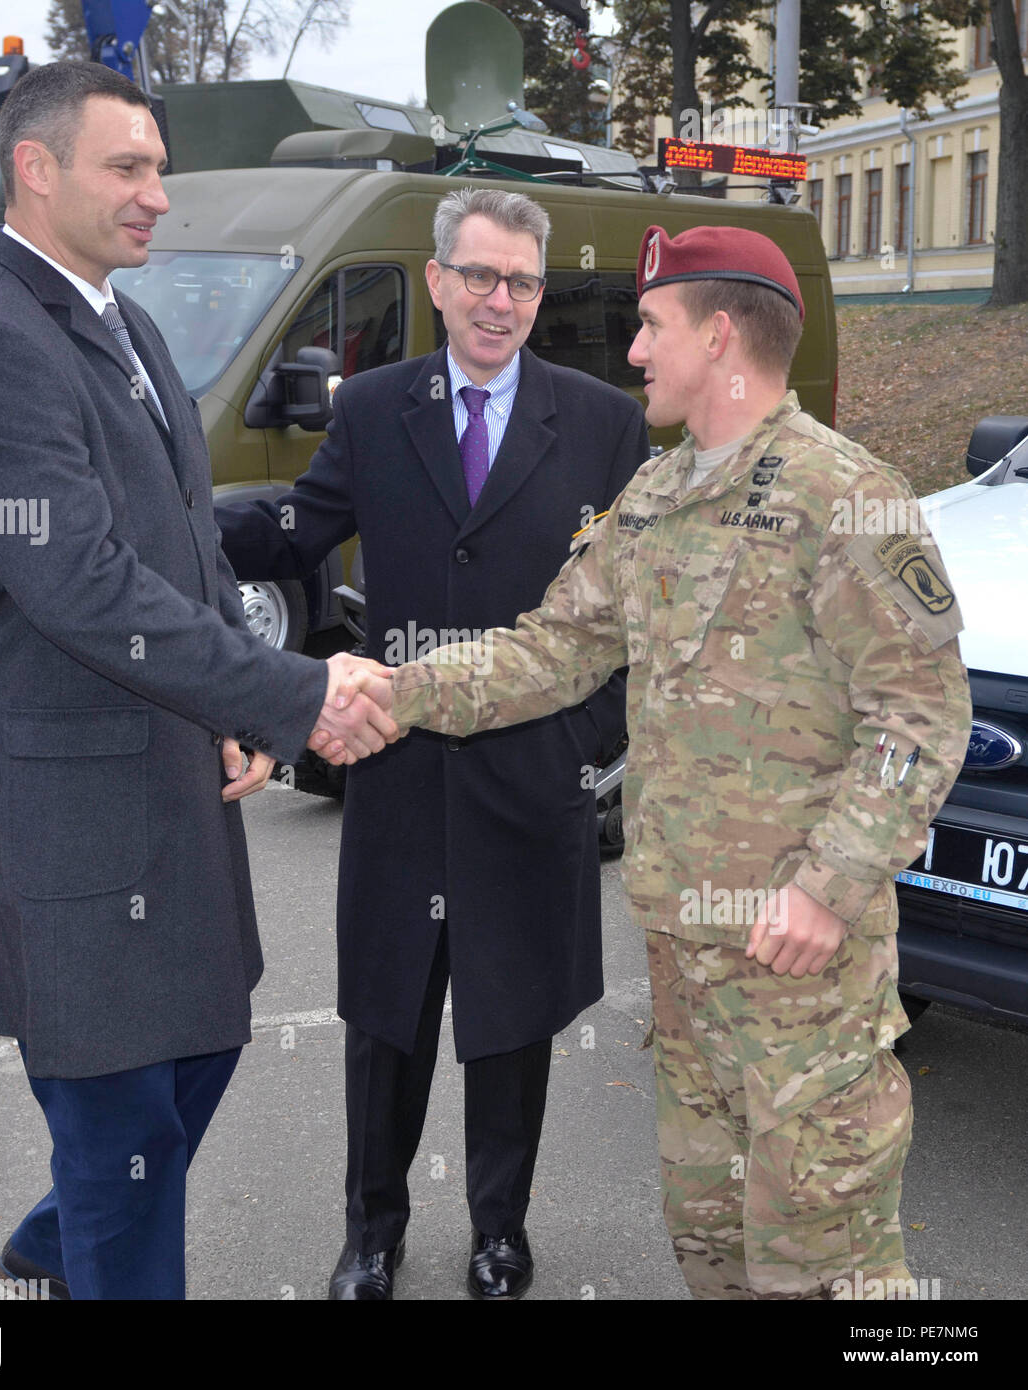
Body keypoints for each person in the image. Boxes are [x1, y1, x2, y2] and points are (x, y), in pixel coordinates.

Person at [322, 223, 973, 1300]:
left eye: (650, 327)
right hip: (682, 964)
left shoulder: (844, 496)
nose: (630, 353)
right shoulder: (658, 498)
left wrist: (826, 887)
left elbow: (920, 717)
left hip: (797, 979)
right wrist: (388, 691)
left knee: (827, 1261)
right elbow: (551, 650)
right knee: (712, 1249)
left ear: (718, 337)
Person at [0, 60, 394, 1301]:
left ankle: (43, 1254)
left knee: (197, 1057)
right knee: (125, 1150)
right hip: (75, 817)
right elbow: (84, 587)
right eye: (127, 166)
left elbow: (169, 542)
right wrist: (288, 693)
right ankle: (83, 1261)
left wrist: (228, 705)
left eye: (158, 169)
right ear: (37, 167)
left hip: (163, 778)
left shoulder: (120, 317)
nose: (156, 196)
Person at [219, 187, 649, 1299]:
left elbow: (628, 617)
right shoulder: (370, 407)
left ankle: (498, 1233)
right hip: (399, 778)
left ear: (538, 293)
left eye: (519, 281)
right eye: (477, 276)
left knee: (511, 1028)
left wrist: (582, 754)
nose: (497, 301)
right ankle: (372, 1233)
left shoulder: (601, 424)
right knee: (386, 1023)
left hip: (529, 781)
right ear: (436, 280)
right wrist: (172, 513)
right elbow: (297, 530)